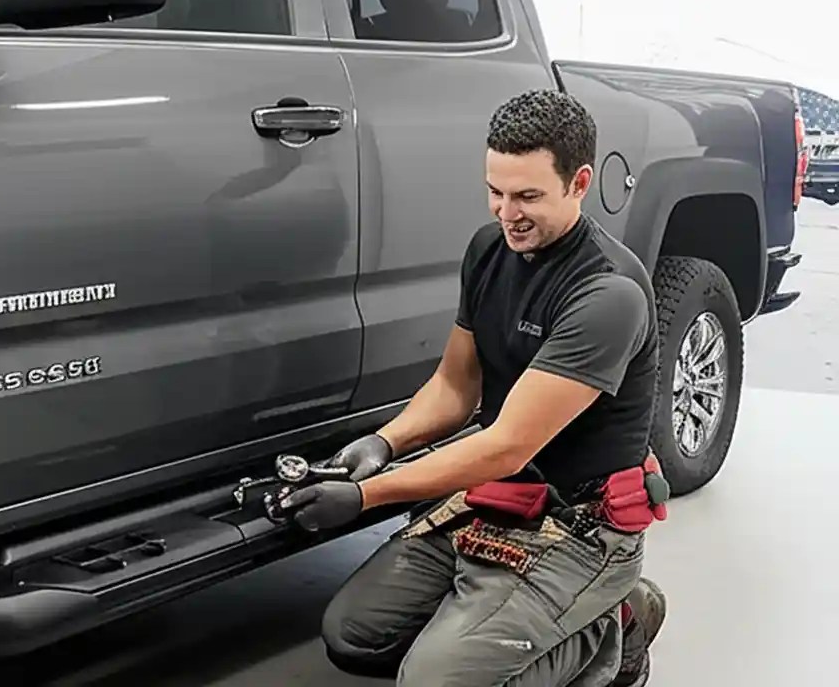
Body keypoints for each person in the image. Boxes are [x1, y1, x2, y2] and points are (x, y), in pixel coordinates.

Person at [280, 89, 668, 686]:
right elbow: (454, 388)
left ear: (580, 182)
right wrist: (382, 443)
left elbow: (507, 444)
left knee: (434, 683)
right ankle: (500, 628)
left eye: (528, 196)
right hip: (496, 500)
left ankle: (617, 622)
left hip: (580, 527)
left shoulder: (608, 295)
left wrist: (367, 497)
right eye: (496, 191)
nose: (506, 212)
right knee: (354, 636)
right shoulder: (490, 250)